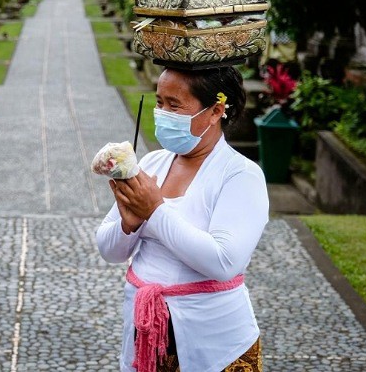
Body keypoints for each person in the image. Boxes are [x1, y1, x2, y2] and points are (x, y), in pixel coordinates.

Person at [96, 67, 269, 372]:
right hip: (147, 335)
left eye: (174, 105)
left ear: (215, 111)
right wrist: (128, 225)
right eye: (159, 102)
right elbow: (109, 251)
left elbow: (224, 262)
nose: (162, 113)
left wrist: (155, 212)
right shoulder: (151, 163)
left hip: (215, 344)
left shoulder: (240, 174)